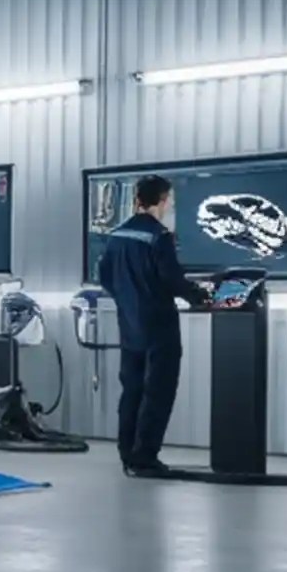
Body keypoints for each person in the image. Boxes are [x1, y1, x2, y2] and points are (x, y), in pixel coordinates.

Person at [98, 175, 209, 477]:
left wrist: (127, 299)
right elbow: (171, 279)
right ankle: (145, 456)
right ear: (161, 200)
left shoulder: (116, 235)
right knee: (157, 392)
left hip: (129, 325)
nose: (170, 206)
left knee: (131, 390)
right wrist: (201, 296)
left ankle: (127, 454)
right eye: (170, 200)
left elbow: (105, 276)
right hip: (159, 325)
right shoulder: (159, 236)